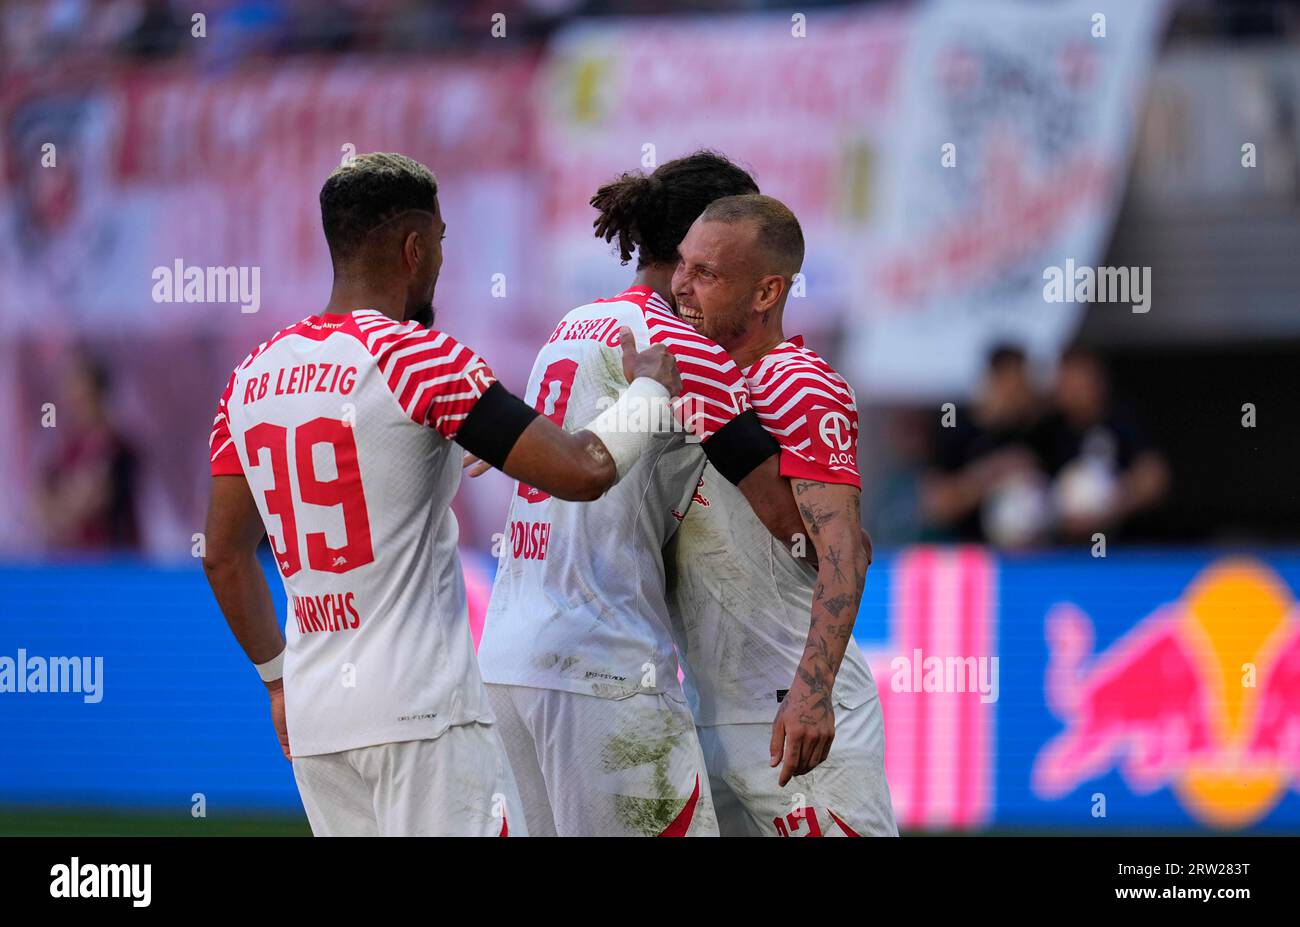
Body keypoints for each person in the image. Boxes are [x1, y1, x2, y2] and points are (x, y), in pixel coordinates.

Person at [200, 152, 682, 837]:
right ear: (414, 246)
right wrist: (651, 394)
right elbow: (582, 471)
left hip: (317, 714)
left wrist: (277, 678)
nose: (442, 262)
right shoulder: (420, 357)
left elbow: (222, 554)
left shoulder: (251, 375)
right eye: (444, 242)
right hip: (422, 713)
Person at [472, 152, 806, 837]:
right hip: (605, 667)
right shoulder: (684, 346)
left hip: (510, 661)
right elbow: (786, 516)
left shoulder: (571, 326)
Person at [664, 193, 897, 836]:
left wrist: (812, 693)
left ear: (768, 293)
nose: (681, 286)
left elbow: (845, 552)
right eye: (682, 265)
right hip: (707, 716)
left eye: (706, 274)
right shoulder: (685, 386)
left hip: (795, 722)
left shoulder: (796, 382)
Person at [920, 344, 1053, 548]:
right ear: (993, 380)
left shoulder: (1039, 432)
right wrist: (994, 473)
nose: (1020, 394)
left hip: (1035, 558)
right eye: (1013, 384)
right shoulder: (955, 427)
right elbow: (937, 506)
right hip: (971, 557)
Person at [1041, 344, 1169, 541]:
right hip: (1062, 552)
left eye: (1081, 382)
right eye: (1067, 383)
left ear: (1099, 382)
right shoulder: (1048, 431)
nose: (1074, 391)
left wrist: (1111, 507)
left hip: (1123, 548)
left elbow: (1155, 478)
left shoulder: (1123, 423)